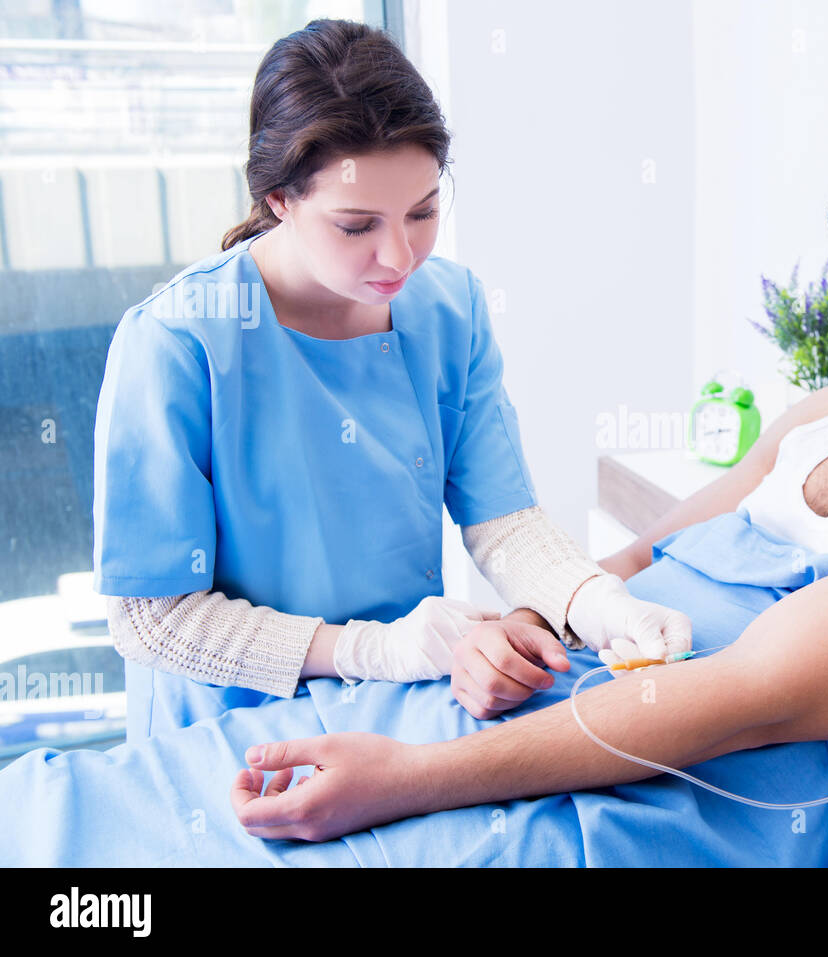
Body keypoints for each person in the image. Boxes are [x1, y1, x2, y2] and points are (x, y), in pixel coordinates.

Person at [229, 129, 828, 842]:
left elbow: (754, 694)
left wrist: (409, 776)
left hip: (707, 814)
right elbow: (639, 556)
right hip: (576, 714)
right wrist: (535, 622)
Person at [93, 18, 689, 743]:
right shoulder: (178, 341)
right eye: (356, 225)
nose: (399, 256)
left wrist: (601, 604)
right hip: (228, 729)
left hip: (396, 715)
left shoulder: (449, 309)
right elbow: (152, 617)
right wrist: (365, 649)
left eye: (424, 212)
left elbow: (503, 524)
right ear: (280, 198)